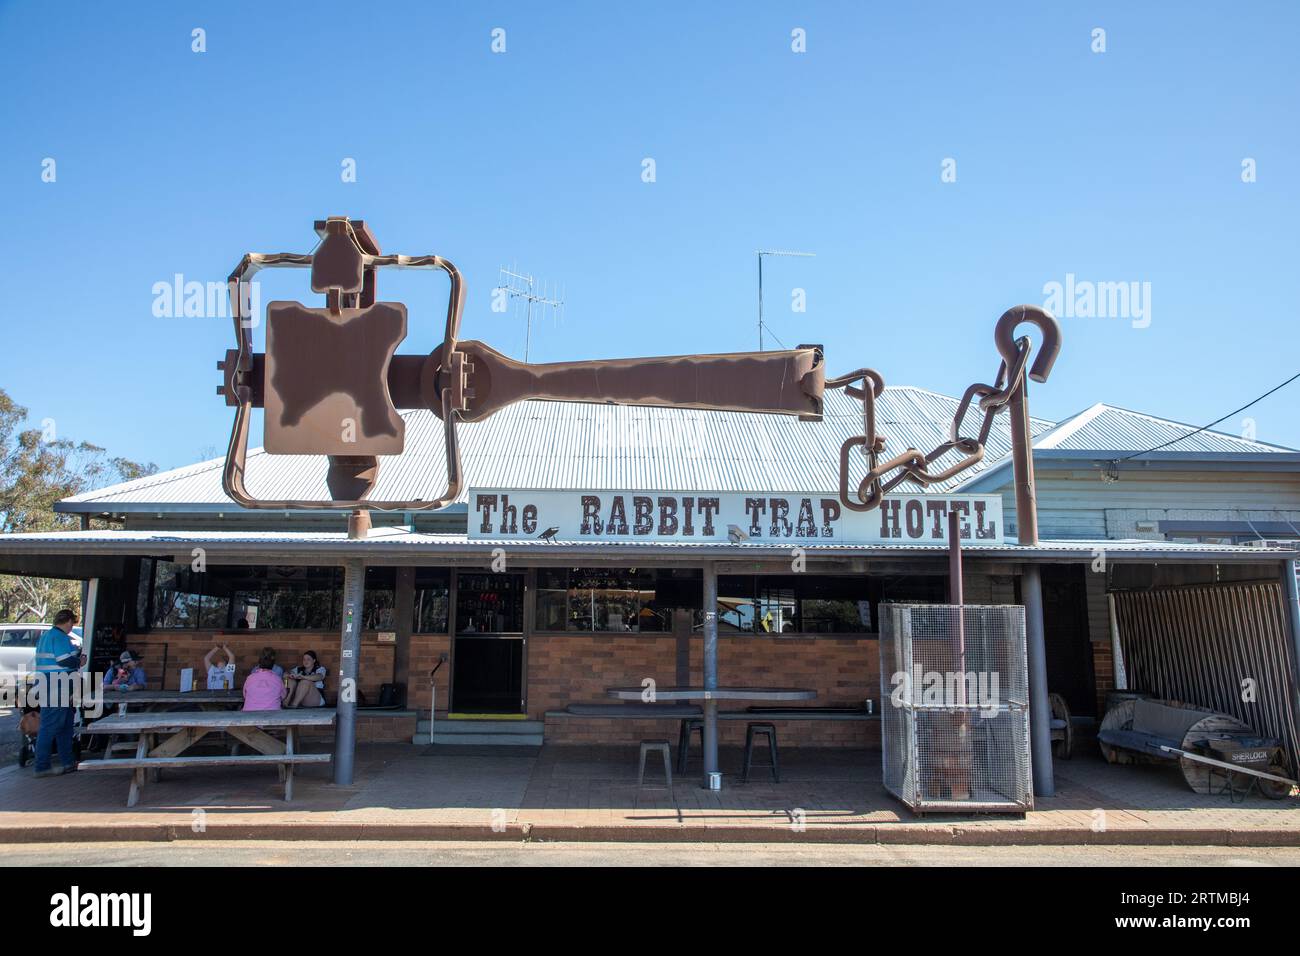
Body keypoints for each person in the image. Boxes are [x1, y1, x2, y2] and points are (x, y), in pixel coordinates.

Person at [33, 609, 83, 777]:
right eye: (72, 624)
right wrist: (78, 660)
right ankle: (42, 767)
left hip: (47, 682)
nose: (72, 628)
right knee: (50, 726)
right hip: (58, 683)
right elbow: (63, 660)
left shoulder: (46, 636)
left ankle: (68, 762)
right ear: (68, 621)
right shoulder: (61, 637)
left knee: (65, 725)